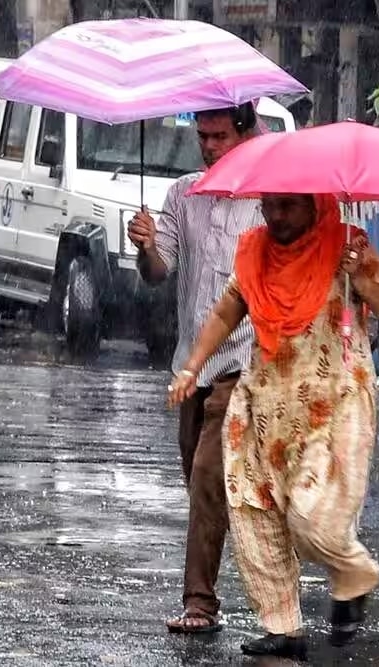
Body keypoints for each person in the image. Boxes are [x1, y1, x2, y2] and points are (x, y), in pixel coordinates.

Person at [167, 192, 379, 659]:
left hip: (331, 408)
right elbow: (226, 311)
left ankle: (353, 572)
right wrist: (193, 367)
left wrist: (359, 278)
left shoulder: (348, 244)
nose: (276, 216)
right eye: (269, 206)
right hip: (263, 404)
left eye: (289, 206)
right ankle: (282, 626)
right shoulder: (255, 251)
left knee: (312, 517)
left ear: (315, 204)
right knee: (254, 512)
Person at [126, 102, 261, 634]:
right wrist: (145, 247)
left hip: (245, 362)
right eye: (202, 136)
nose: (209, 146)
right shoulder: (182, 195)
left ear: (244, 134)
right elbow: (158, 272)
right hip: (192, 364)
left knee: (207, 472)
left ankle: (200, 604)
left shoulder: (266, 201)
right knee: (200, 481)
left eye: (219, 136)